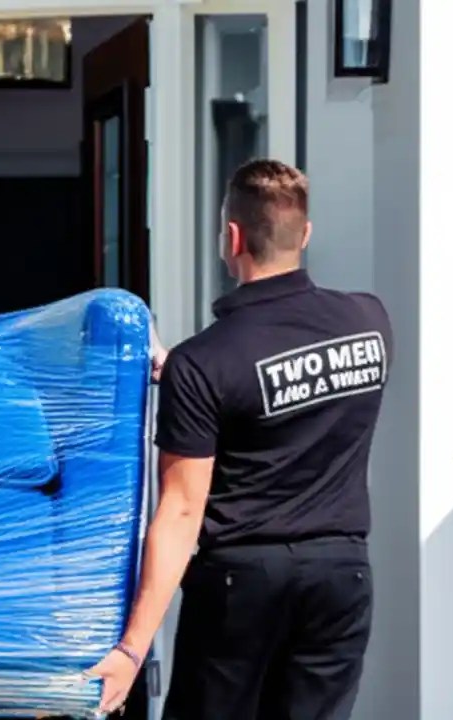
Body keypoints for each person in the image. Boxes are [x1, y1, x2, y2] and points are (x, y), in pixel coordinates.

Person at [86, 159, 391, 719]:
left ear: (232, 238)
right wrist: (190, 376)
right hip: (341, 576)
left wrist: (131, 650)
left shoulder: (207, 364)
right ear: (305, 233)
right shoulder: (370, 322)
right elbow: (292, 381)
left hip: (243, 588)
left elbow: (180, 512)